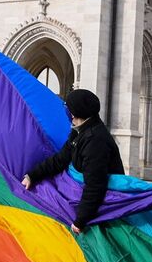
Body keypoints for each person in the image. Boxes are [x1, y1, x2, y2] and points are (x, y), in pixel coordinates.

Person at [22, 89, 124, 235]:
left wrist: (80, 220)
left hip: (104, 208)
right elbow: (60, 159)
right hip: (88, 200)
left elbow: (95, 186)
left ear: (75, 113)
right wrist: (32, 176)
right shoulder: (79, 132)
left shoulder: (95, 141)